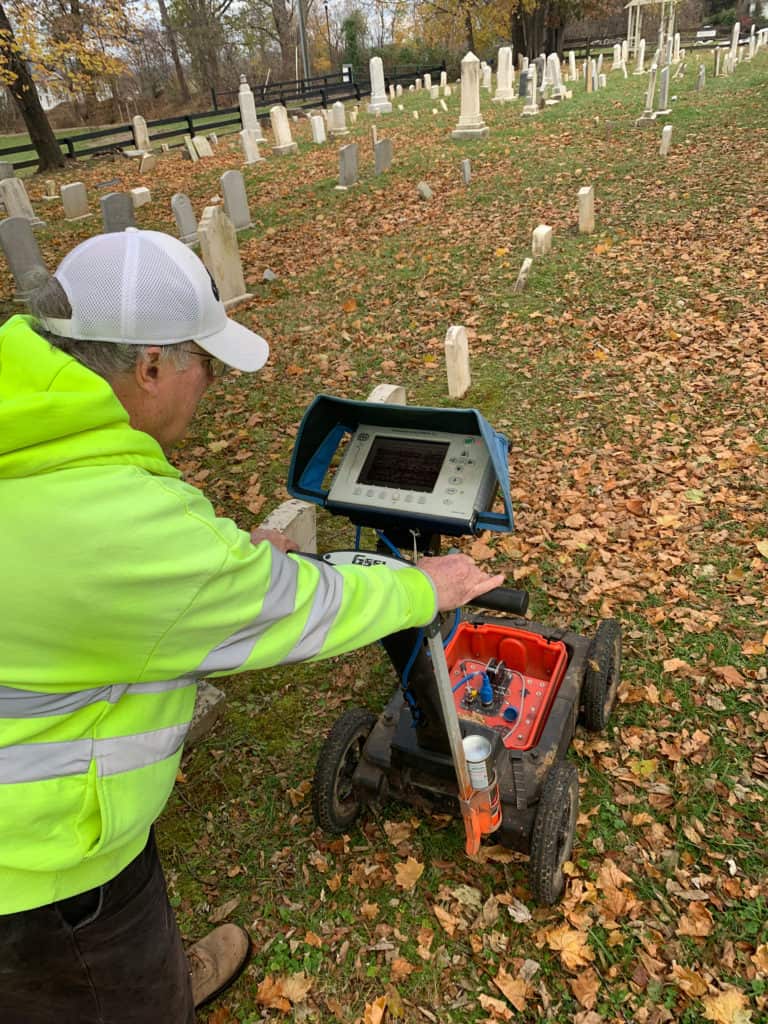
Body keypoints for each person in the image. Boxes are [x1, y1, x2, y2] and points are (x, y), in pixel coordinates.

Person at [0, 228, 504, 1023]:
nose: (211, 384)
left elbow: (93, 589)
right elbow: (300, 607)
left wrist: (222, 565)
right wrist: (422, 586)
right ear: (153, 365)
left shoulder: (28, 427)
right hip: (45, 875)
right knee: (109, 994)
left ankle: (160, 967)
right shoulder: (130, 525)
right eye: (205, 363)